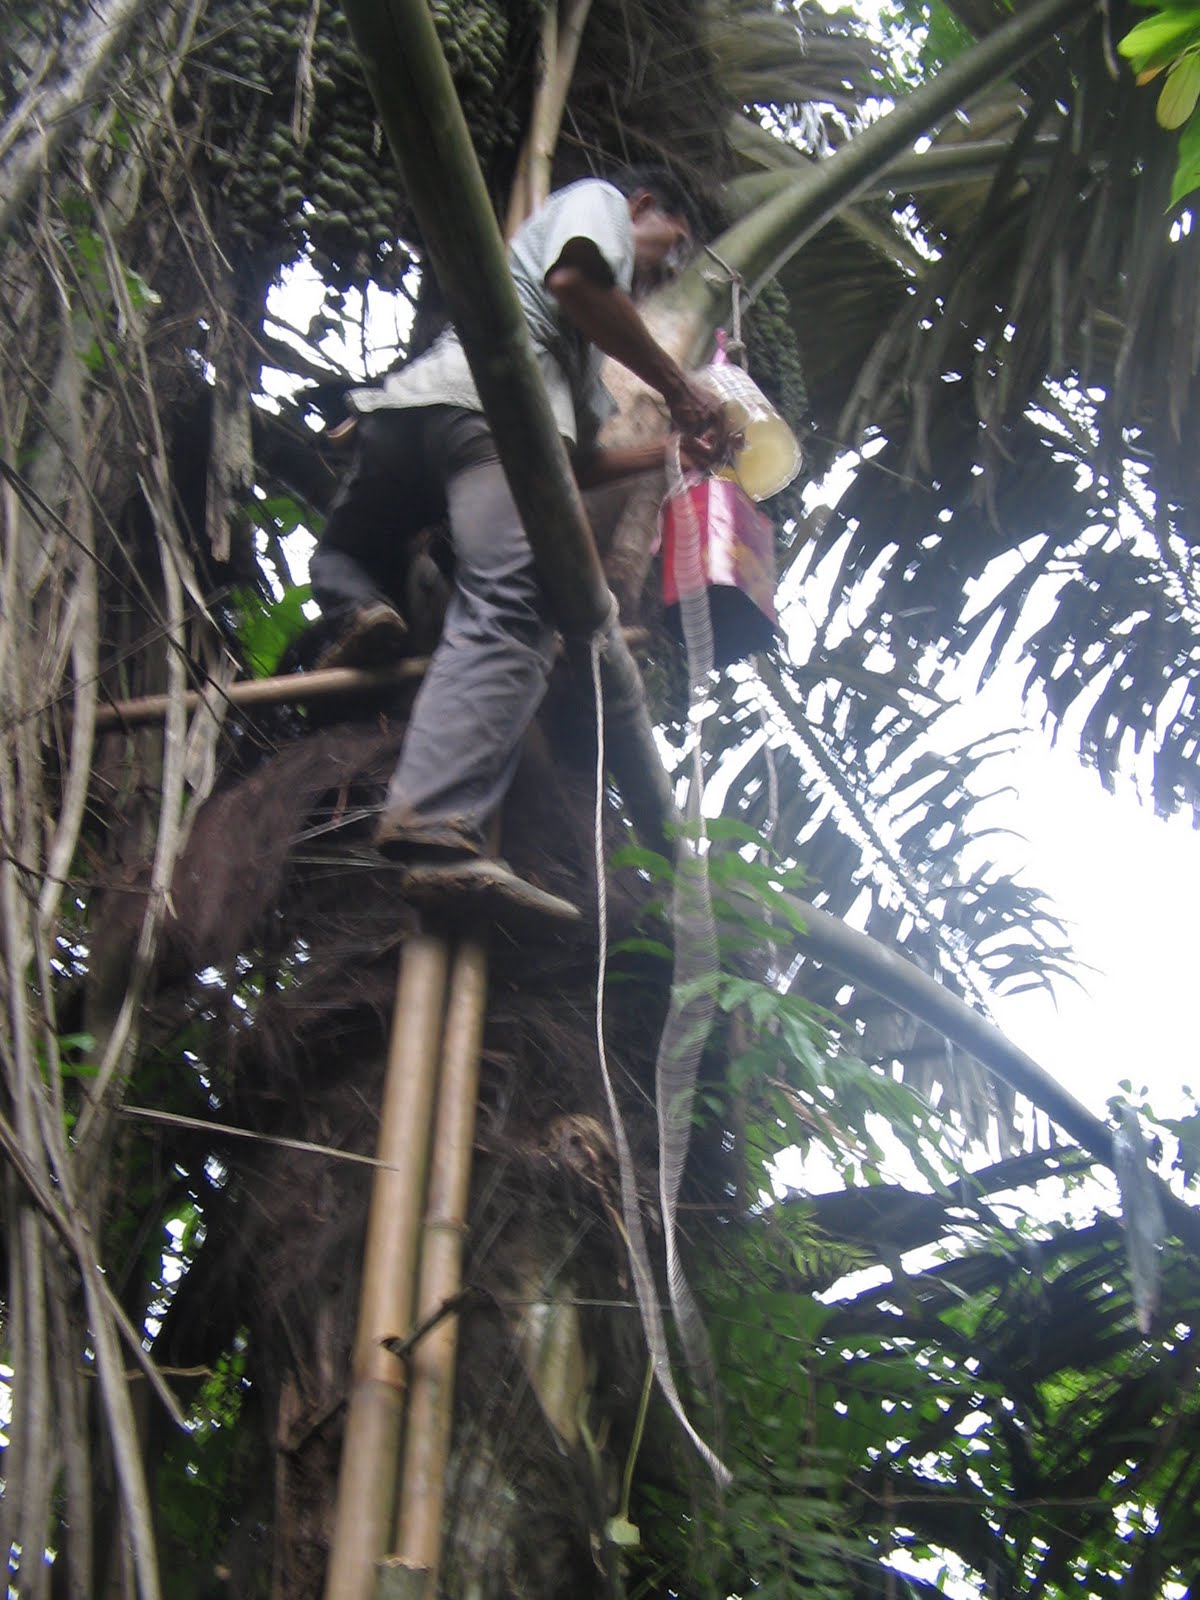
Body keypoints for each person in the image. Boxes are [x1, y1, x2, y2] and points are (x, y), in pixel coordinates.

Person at [310, 168, 729, 920]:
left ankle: (360, 611)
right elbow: (576, 281)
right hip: (485, 421)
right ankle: (434, 822)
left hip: (410, 417)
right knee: (516, 606)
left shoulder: (584, 360)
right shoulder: (600, 203)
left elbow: (574, 464)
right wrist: (680, 387)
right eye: (673, 248)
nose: (667, 272)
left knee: (345, 550)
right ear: (643, 208)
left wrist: (672, 453)